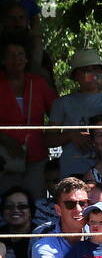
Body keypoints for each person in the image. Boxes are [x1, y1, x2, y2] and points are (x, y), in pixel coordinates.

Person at [50, 48, 102, 181]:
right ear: (75, 75)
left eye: (96, 69)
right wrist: (71, 135)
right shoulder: (62, 103)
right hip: (72, 170)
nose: (91, 74)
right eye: (86, 70)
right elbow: (48, 140)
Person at [0, 33, 55, 195]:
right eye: (11, 55)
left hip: (37, 155)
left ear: (26, 59)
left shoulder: (38, 83)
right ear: (3, 60)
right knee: (6, 206)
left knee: (36, 204)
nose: (16, 59)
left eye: (20, 55)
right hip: (4, 158)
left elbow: (56, 114)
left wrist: (52, 136)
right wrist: (5, 139)